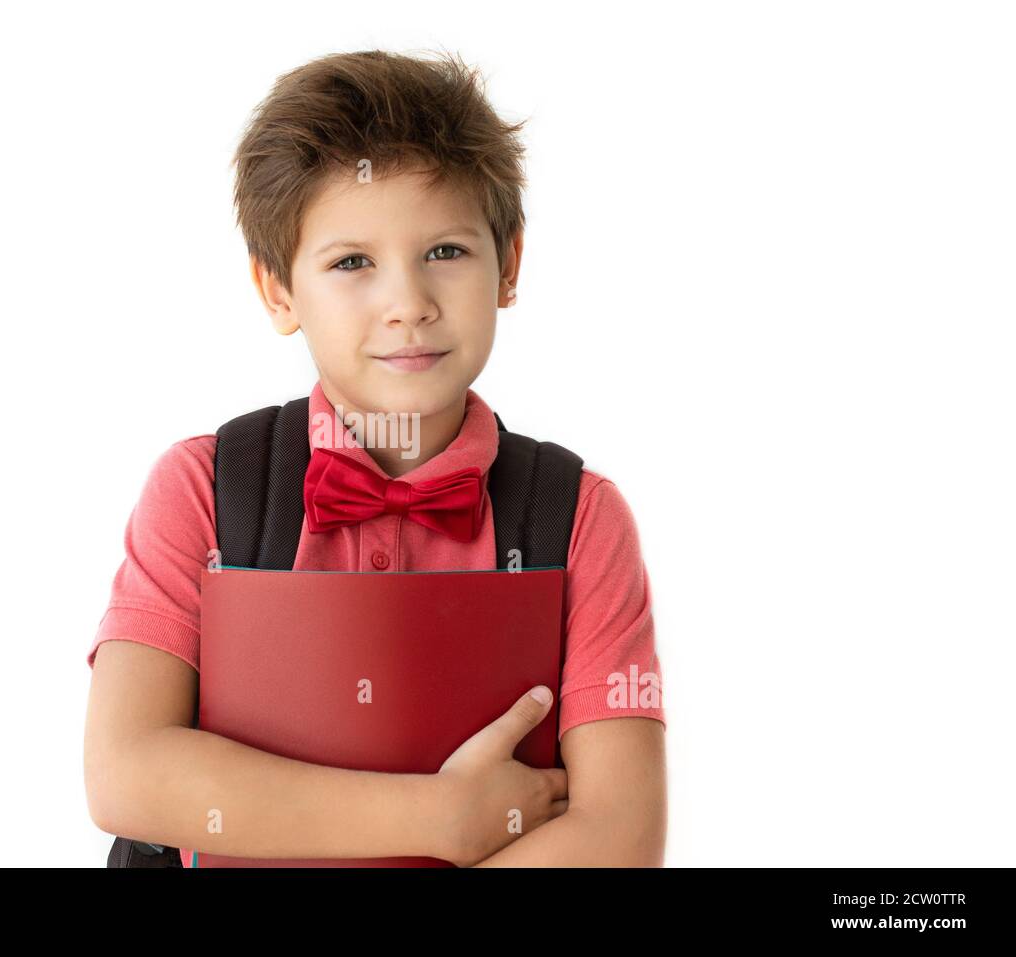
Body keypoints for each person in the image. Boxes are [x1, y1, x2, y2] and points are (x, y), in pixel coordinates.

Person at [83, 49, 666, 867]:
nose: (409, 305)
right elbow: (126, 773)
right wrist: (438, 817)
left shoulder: (577, 516)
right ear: (279, 291)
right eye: (352, 262)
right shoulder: (206, 488)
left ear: (509, 263)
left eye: (446, 252)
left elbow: (619, 835)